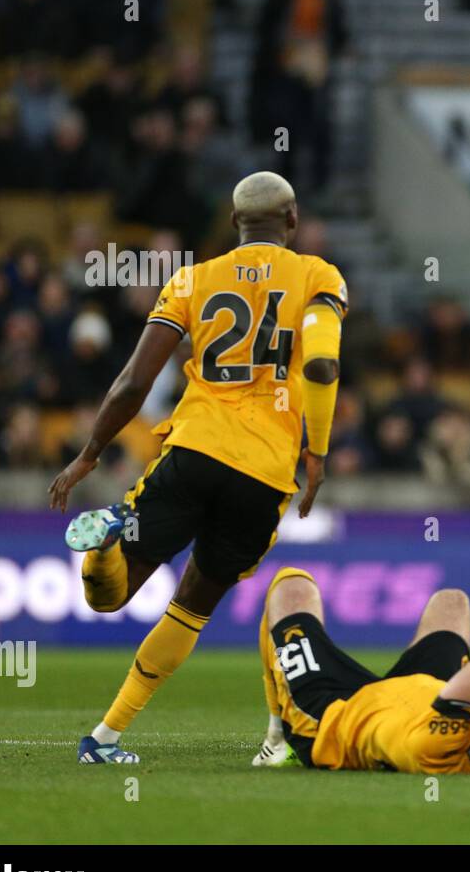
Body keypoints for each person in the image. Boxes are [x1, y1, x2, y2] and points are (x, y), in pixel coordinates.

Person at [49, 171, 347, 763]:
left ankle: (107, 544)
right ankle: (105, 736)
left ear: (234, 224)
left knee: (109, 597)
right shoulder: (318, 275)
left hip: (194, 449)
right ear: (292, 221)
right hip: (263, 471)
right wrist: (317, 451)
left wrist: (90, 452)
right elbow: (320, 367)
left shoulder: (193, 279)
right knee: (192, 607)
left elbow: (134, 380)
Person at [253, 568, 470, 774]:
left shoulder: (439, 747)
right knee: (451, 601)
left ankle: (278, 730)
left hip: (337, 715)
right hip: (423, 689)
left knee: (291, 585)